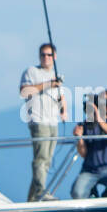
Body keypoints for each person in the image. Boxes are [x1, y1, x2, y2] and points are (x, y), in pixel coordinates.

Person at [19, 43, 68, 201]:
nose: (46, 58)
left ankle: (32, 200)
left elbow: (61, 95)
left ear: (54, 57)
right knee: (41, 159)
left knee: (47, 161)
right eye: (43, 54)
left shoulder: (56, 75)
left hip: (53, 122)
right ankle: (41, 192)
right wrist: (48, 84)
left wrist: (64, 110)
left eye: (49, 55)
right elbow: (24, 91)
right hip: (39, 120)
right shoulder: (32, 72)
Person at [70, 89, 107, 198]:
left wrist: (99, 119)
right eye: (103, 101)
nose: (106, 105)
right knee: (77, 193)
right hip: (89, 169)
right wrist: (79, 138)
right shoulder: (86, 125)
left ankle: (106, 198)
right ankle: (91, 193)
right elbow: (83, 154)